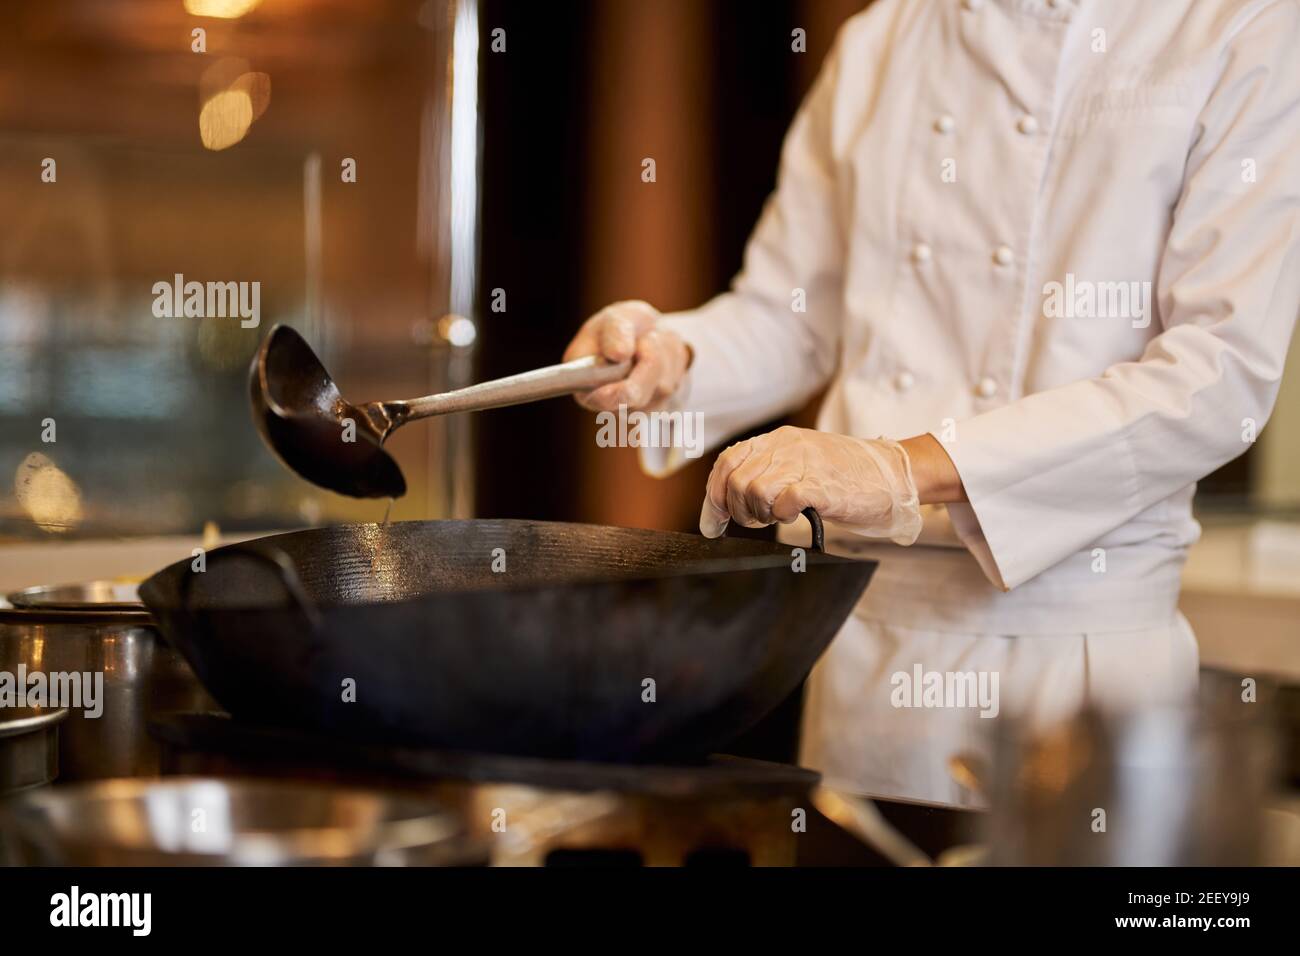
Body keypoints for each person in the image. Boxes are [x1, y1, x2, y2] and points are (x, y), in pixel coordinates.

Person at [563, 0, 1300, 806]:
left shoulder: (1239, 25)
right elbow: (792, 314)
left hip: (1078, 661)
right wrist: (673, 356)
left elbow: (1214, 377)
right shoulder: (885, 37)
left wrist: (897, 468)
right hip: (865, 661)